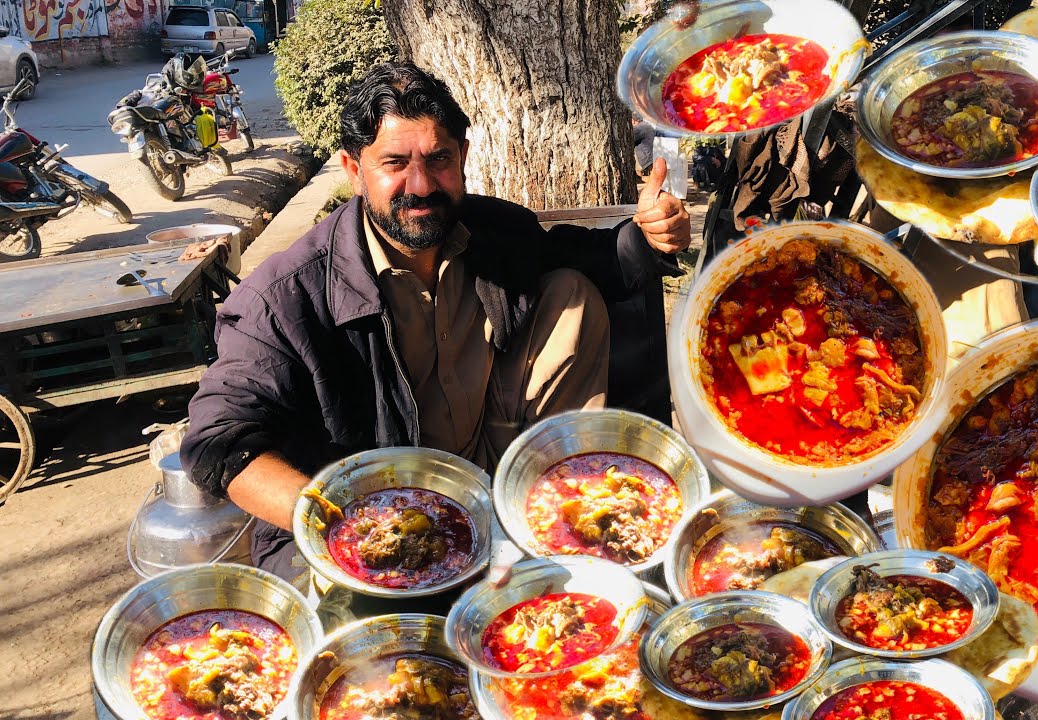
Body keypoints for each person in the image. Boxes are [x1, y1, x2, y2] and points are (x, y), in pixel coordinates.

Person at [180, 62, 692, 580]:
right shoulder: (287, 296)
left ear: (462, 157)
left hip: (489, 467)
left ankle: (547, 500)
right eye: (395, 163)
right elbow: (217, 440)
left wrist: (649, 235)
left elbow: (590, 256)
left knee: (570, 291)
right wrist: (341, 524)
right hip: (371, 513)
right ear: (354, 170)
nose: (421, 185)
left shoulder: (494, 231)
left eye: (438, 159)